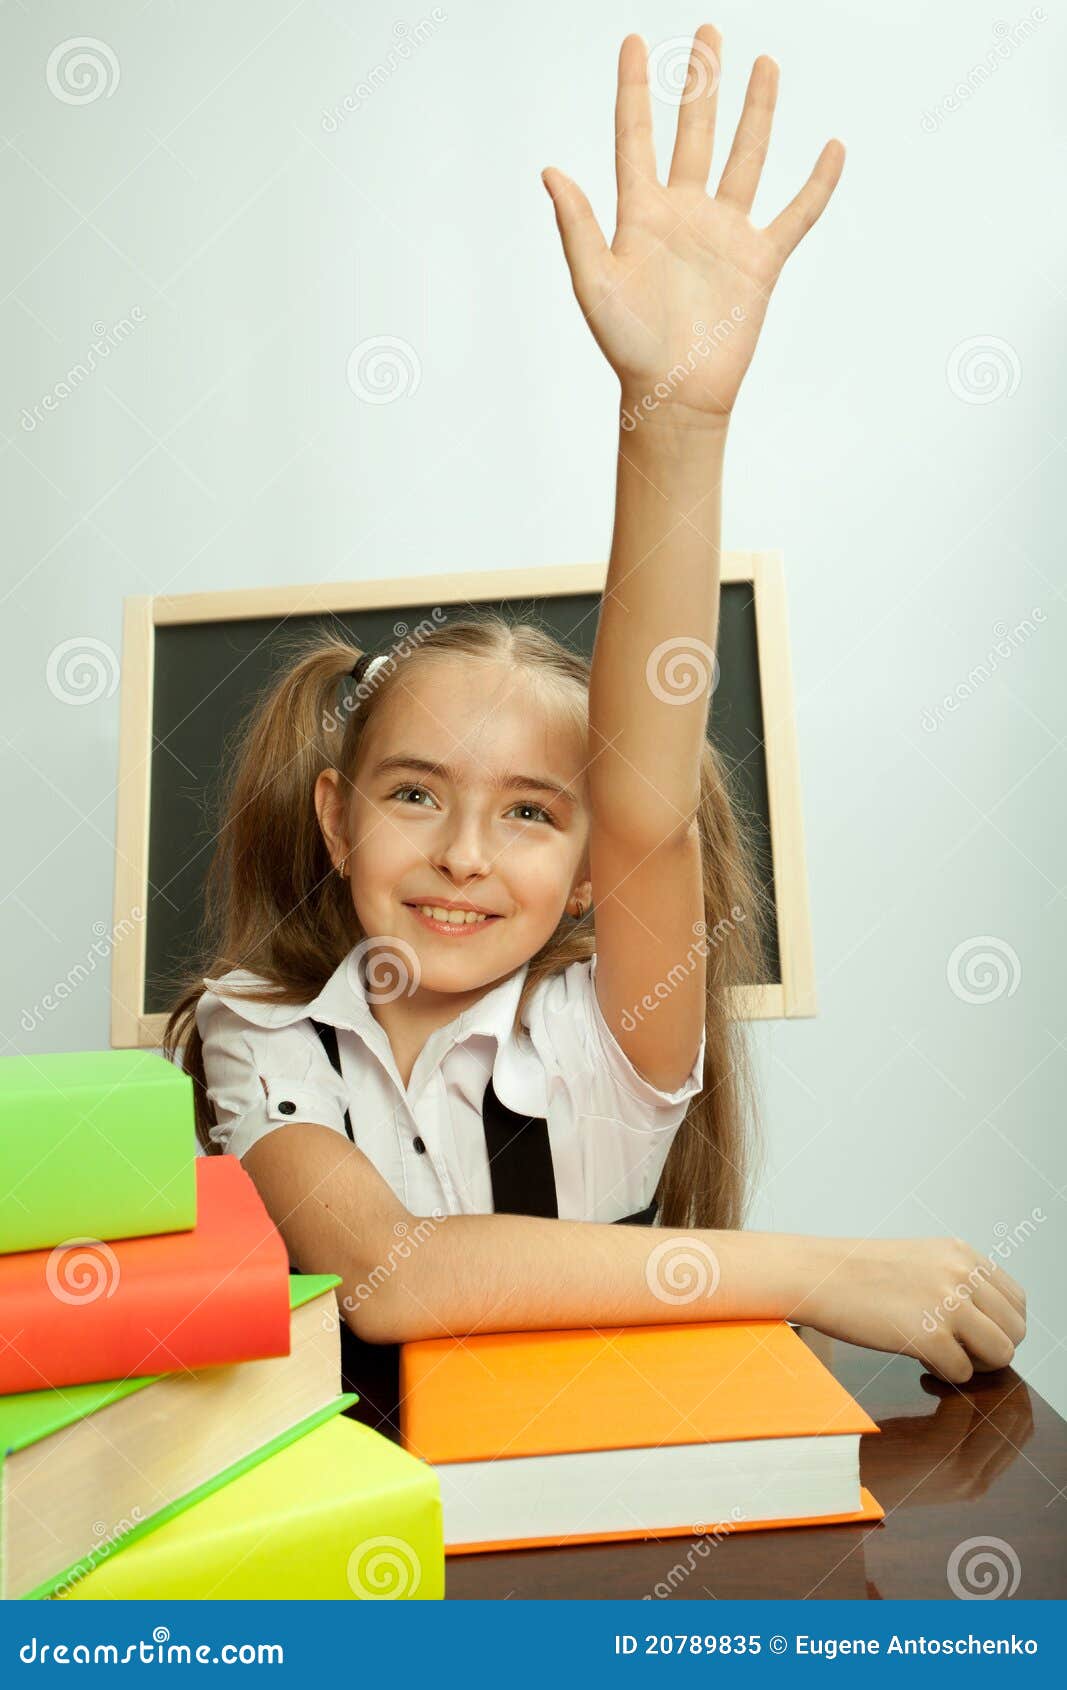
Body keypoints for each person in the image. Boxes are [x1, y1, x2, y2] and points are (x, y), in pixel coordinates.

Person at [164, 27, 1025, 1397]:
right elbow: (387, 1275)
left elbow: (644, 798)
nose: (463, 852)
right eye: (412, 792)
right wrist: (815, 1268)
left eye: (529, 813)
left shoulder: (614, 1031)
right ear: (335, 816)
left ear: (581, 868)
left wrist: (672, 423)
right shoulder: (259, 1027)